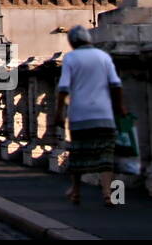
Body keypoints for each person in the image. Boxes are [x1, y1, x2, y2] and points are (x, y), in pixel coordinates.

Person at [53, 25, 127, 206]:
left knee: (78, 154)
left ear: (72, 42)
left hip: (79, 115)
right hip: (104, 114)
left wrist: (59, 113)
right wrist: (119, 107)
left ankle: (76, 192)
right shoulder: (103, 56)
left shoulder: (71, 58)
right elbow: (116, 84)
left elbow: (63, 88)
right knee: (106, 155)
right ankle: (108, 194)